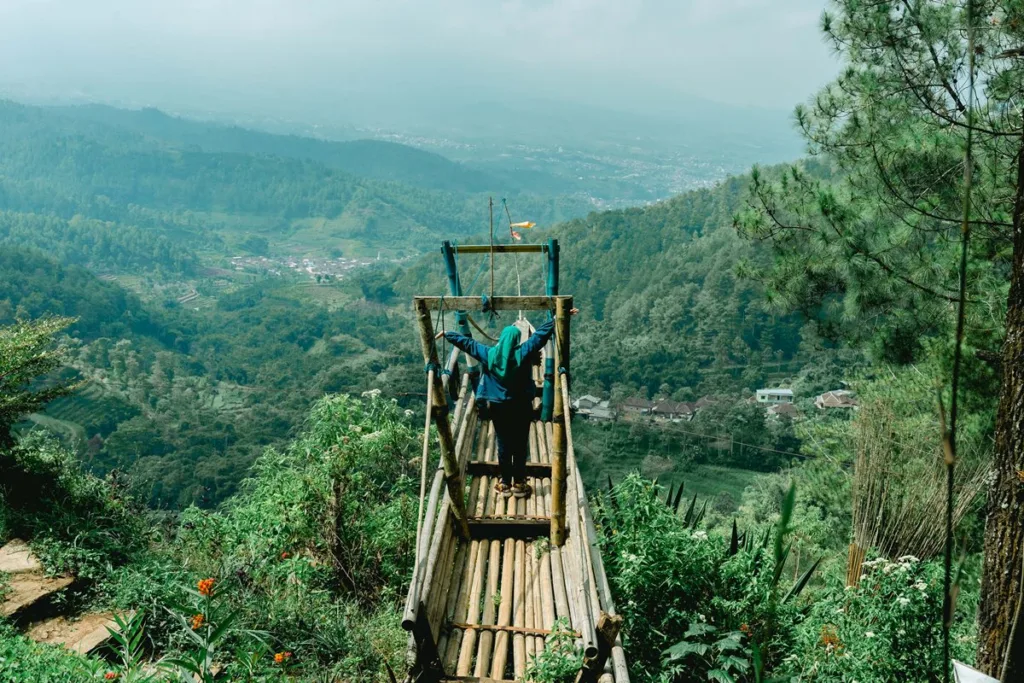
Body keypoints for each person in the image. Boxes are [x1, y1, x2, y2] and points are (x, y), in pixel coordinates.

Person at [438, 312, 576, 499]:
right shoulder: (524, 352)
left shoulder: (488, 354)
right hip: (522, 407)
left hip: (499, 408)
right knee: (519, 444)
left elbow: (468, 344)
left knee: (503, 444)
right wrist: (557, 318)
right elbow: (540, 336)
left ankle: (504, 484)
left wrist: (448, 333)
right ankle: (519, 483)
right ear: (517, 340)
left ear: (502, 339)